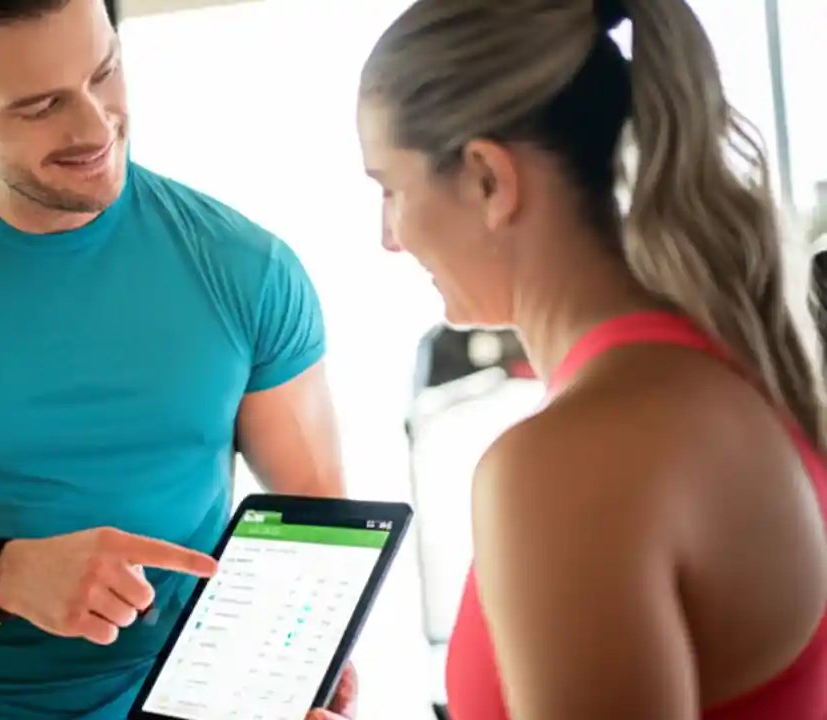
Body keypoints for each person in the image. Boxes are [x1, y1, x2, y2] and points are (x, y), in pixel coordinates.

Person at [0, 1, 356, 718]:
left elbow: (322, 532)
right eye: (41, 106)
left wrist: (300, 667)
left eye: (104, 73)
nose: (94, 126)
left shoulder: (247, 269)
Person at [317, 0, 827, 718]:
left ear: (488, 179)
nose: (389, 237)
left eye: (391, 189)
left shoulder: (572, 460)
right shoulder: (731, 373)